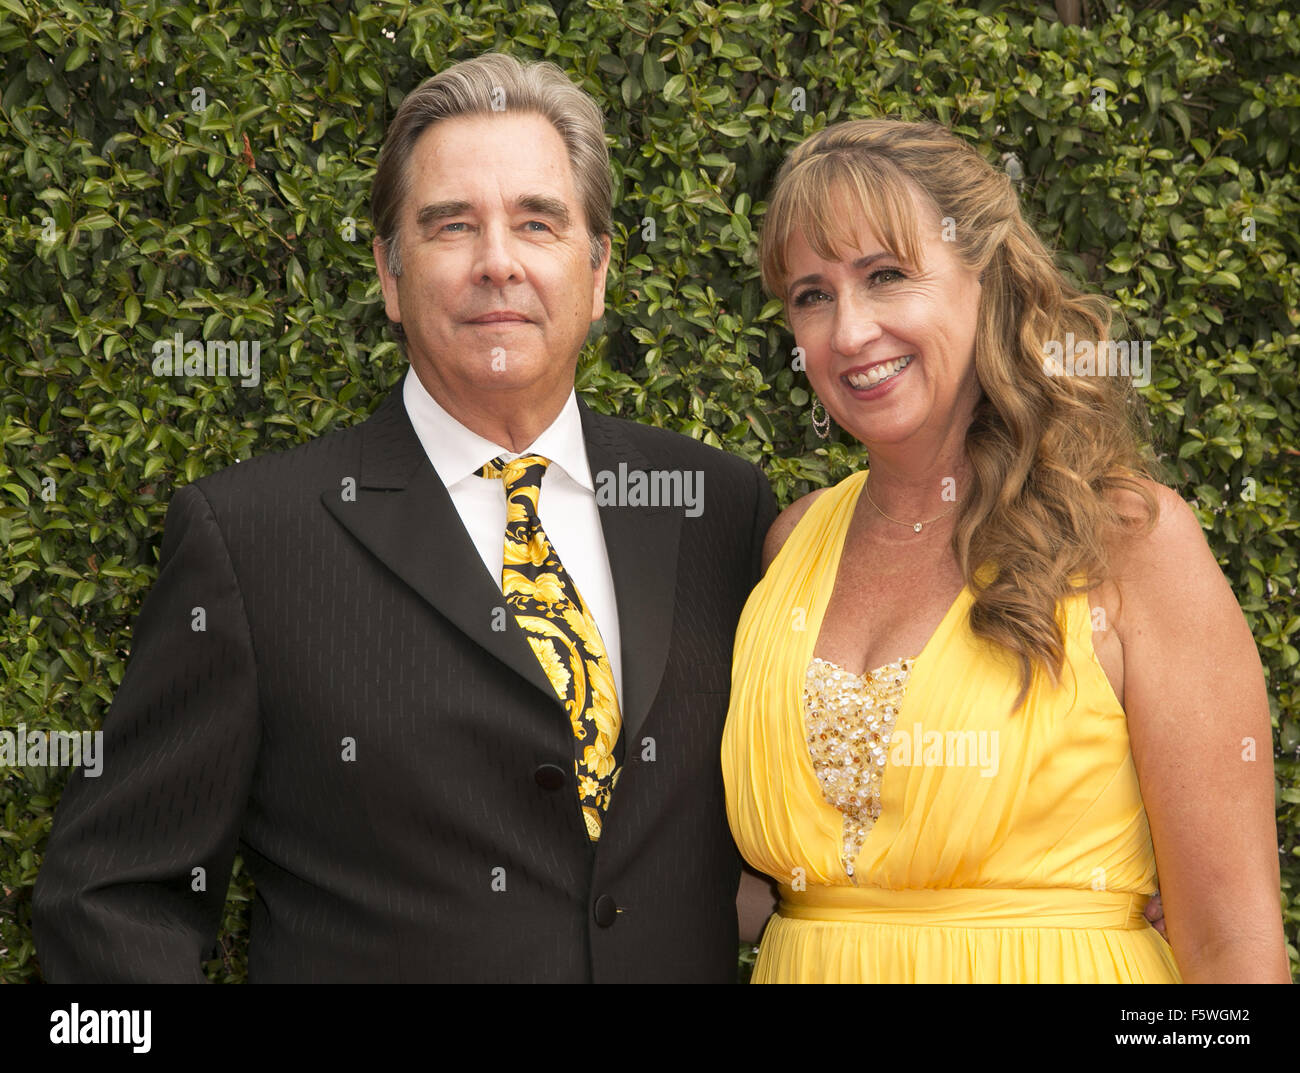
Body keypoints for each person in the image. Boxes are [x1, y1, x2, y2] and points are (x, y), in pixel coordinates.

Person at [33, 52, 776, 983]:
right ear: (390, 276)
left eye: (537, 223)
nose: (497, 261)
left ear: (596, 273)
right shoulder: (254, 540)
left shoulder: (717, 506)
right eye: (451, 226)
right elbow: (110, 897)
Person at [721, 119, 1290, 983]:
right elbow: (727, 888)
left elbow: (1231, 945)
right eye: (812, 294)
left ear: (985, 281)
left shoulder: (1130, 541)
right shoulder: (789, 545)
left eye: (886, 277)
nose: (850, 330)